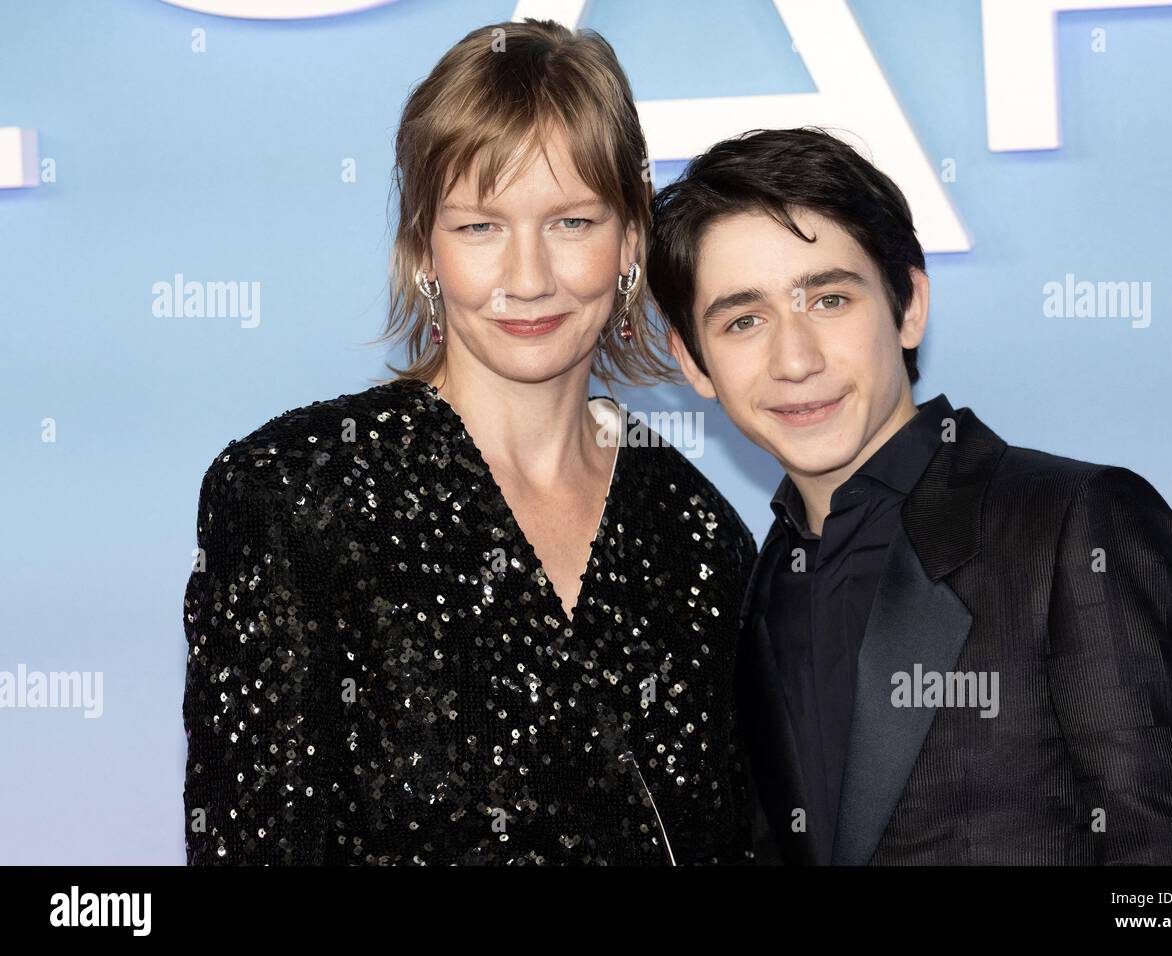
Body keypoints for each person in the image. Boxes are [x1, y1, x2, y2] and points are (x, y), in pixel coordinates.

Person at [181, 19, 755, 865]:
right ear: (423, 250)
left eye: (571, 222)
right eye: (481, 227)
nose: (528, 278)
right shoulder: (296, 496)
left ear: (631, 242)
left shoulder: (697, 534)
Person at [646, 126, 1172, 865]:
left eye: (830, 300)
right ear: (694, 363)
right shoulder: (744, 594)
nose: (795, 360)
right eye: (744, 321)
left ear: (909, 306)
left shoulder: (1072, 525)